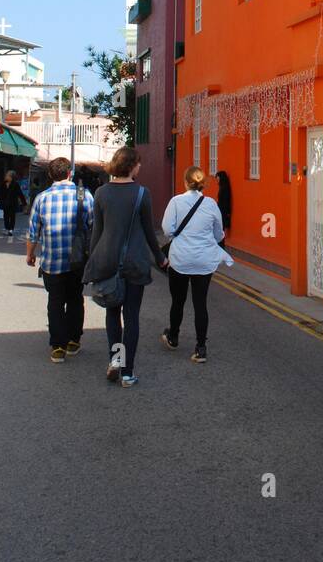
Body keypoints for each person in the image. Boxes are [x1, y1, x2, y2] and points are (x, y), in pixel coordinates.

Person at [83, 146, 167, 388]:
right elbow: (150, 232)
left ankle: (115, 361)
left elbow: (96, 234)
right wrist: (160, 257)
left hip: (108, 261)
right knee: (131, 318)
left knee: (112, 314)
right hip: (136, 263)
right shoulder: (142, 194)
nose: (140, 167)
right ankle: (128, 373)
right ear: (131, 166)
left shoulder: (101, 193)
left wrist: (92, 263)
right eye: (138, 163)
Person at [161, 166, 233, 363]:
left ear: (186, 182)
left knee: (178, 300)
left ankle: (173, 336)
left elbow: (167, 229)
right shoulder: (211, 204)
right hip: (203, 260)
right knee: (200, 303)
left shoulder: (176, 202)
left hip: (180, 259)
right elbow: (219, 234)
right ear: (203, 184)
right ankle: (201, 348)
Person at [27, 158, 94, 363]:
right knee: (76, 298)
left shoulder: (42, 198)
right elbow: (93, 226)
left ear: (50, 175)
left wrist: (30, 254)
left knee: (55, 302)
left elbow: (33, 231)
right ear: (69, 174)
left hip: (51, 261)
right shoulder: (85, 195)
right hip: (78, 260)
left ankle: (57, 346)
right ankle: (74, 340)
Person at [0, 169, 28, 238]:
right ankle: (7, 228)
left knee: (12, 217)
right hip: (4, 203)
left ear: (11, 177)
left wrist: (24, 203)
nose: (6, 176)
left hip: (13, 203)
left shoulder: (16, 184)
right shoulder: (3, 184)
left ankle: (11, 230)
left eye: (7, 175)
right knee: (6, 216)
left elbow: (20, 194)